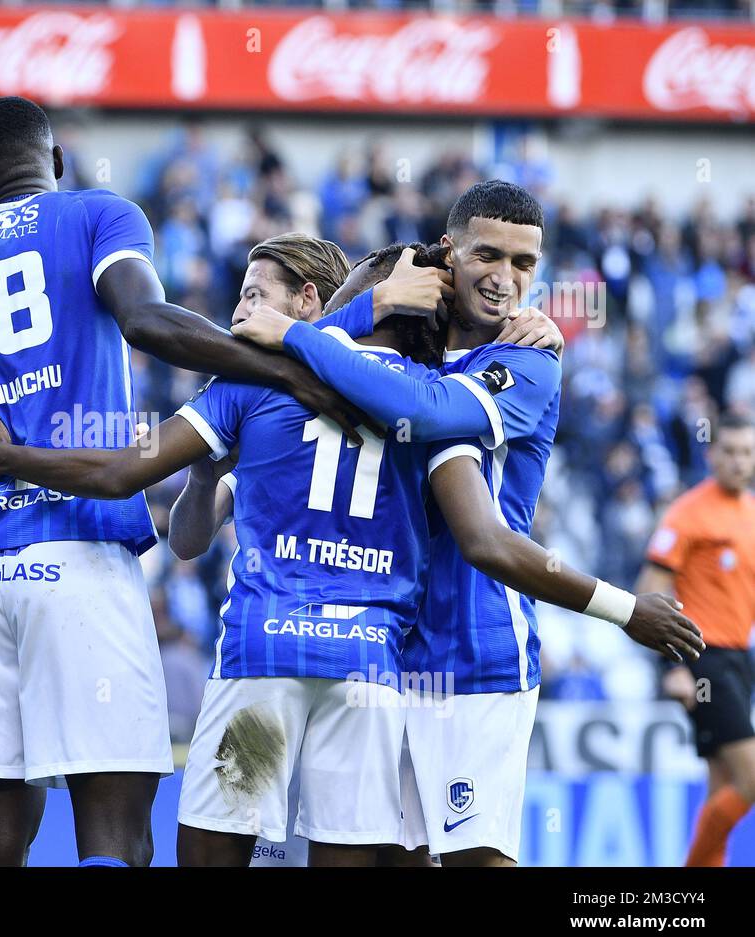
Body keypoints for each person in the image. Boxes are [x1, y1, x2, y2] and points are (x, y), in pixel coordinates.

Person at [0, 96, 429, 867]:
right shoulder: (96, 215)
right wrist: (287, 369)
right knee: (116, 832)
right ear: (55, 162)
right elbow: (147, 322)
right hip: (80, 550)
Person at [0, 235, 702, 866]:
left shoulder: (253, 383)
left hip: (263, 663)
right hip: (367, 675)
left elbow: (120, 475)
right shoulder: (432, 408)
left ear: (366, 297)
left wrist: (11, 459)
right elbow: (484, 538)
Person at [233, 181, 703, 865]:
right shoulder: (405, 350)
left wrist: (625, 610)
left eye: (524, 263)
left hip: (478, 655)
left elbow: (431, 425)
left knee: (474, 860)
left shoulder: (526, 361)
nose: (506, 278)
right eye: (489, 255)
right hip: (385, 650)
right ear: (449, 251)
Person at [640, 414, 755, 867]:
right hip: (704, 660)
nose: (739, 461)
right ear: (711, 454)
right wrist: (672, 666)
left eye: (747, 452)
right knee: (750, 780)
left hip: (740, 659)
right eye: (730, 451)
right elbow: (650, 593)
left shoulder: (750, 513)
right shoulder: (687, 512)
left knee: (722, 784)